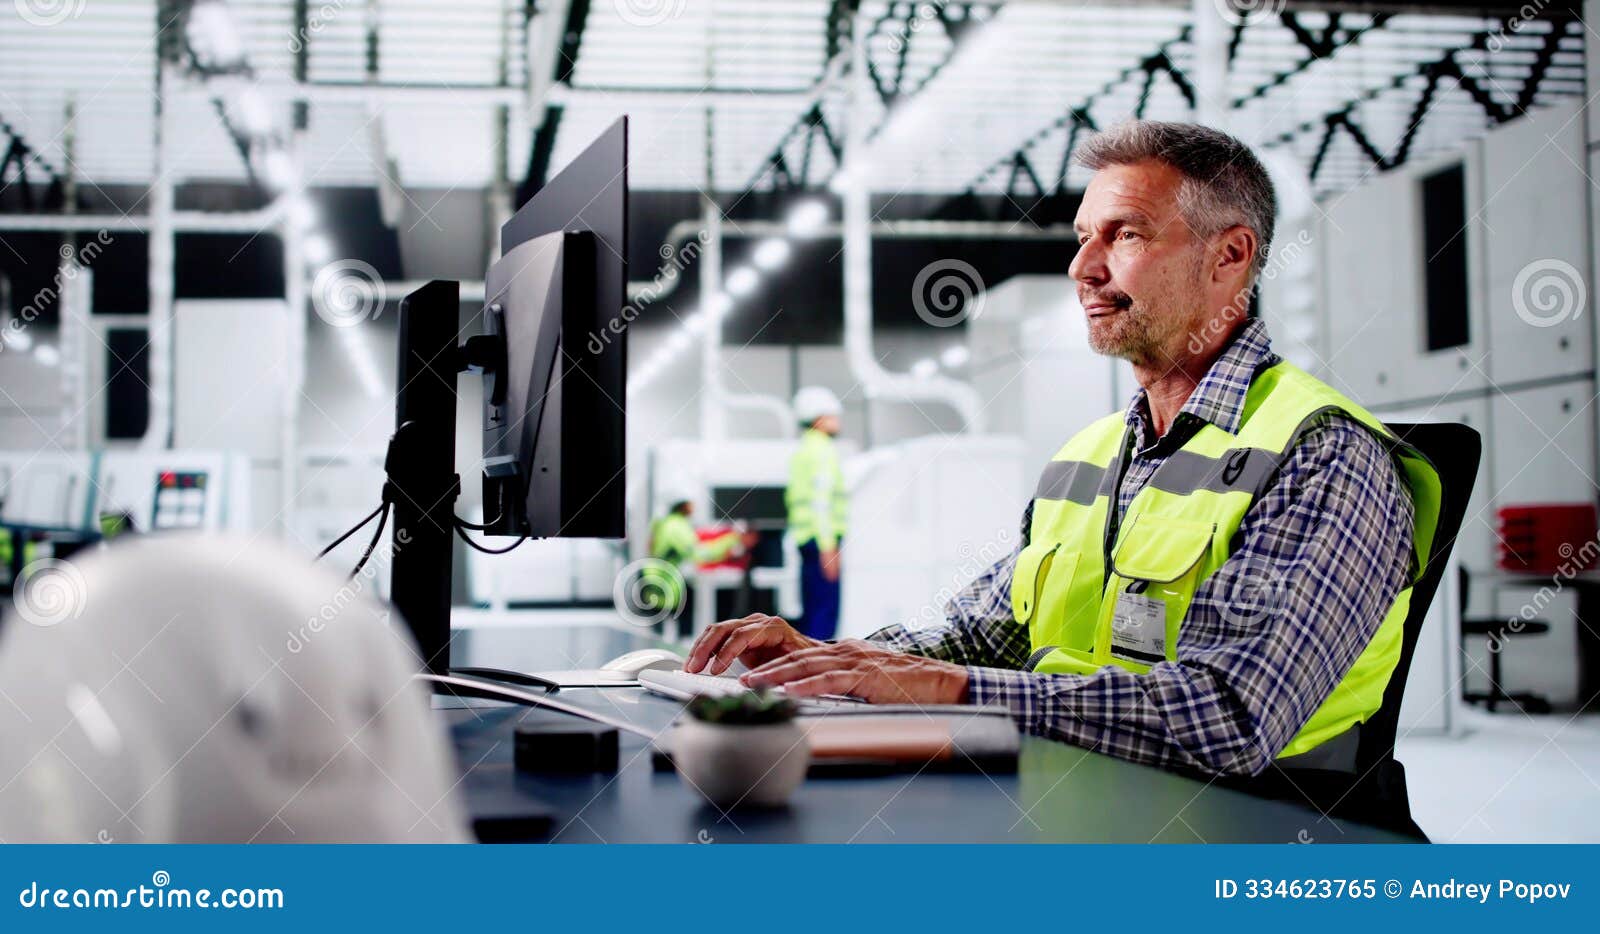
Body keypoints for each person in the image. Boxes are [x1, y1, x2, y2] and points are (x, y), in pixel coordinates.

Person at [687, 121, 1441, 790]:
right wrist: (829, 662)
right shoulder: (1093, 454)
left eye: (1126, 235)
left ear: (1229, 256)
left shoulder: (1322, 456)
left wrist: (951, 689)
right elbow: (983, 636)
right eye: (1084, 236)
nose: (1083, 267)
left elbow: (1228, 716)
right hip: (1086, 807)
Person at [787, 386, 849, 641]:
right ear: (818, 419)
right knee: (824, 614)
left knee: (812, 608)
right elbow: (821, 502)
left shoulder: (803, 449)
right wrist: (828, 546)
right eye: (832, 416)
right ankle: (819, 662)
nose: (838, 421)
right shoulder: (823, 450)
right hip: (822, 540)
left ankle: (804, 658)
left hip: (806, 539)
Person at [642, 497, 752, 634]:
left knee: (658, 630)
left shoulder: (667, 522)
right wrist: (731, 539)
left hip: (656, 578)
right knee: (677, 627)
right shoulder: (676, 525)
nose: (694, 509)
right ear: (683, 506)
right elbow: (698, 553)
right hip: (665, 581)